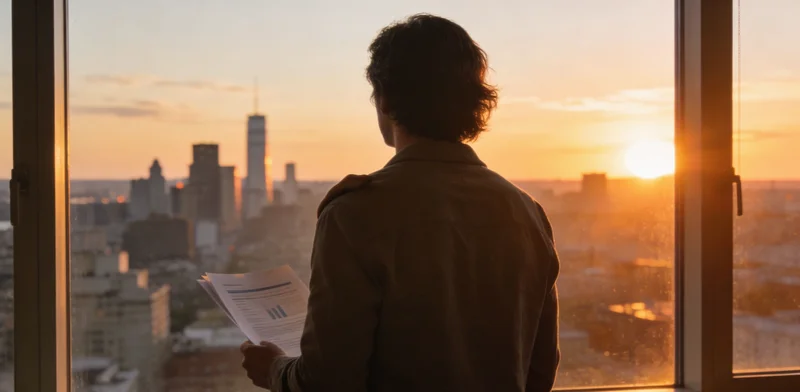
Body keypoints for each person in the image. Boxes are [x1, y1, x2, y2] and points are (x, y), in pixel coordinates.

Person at [241, 13, 560, 392]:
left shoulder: (355, 213)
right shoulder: (526, 213)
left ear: (386, 99)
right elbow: (540, 370)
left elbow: (328, 380)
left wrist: (275, 369)